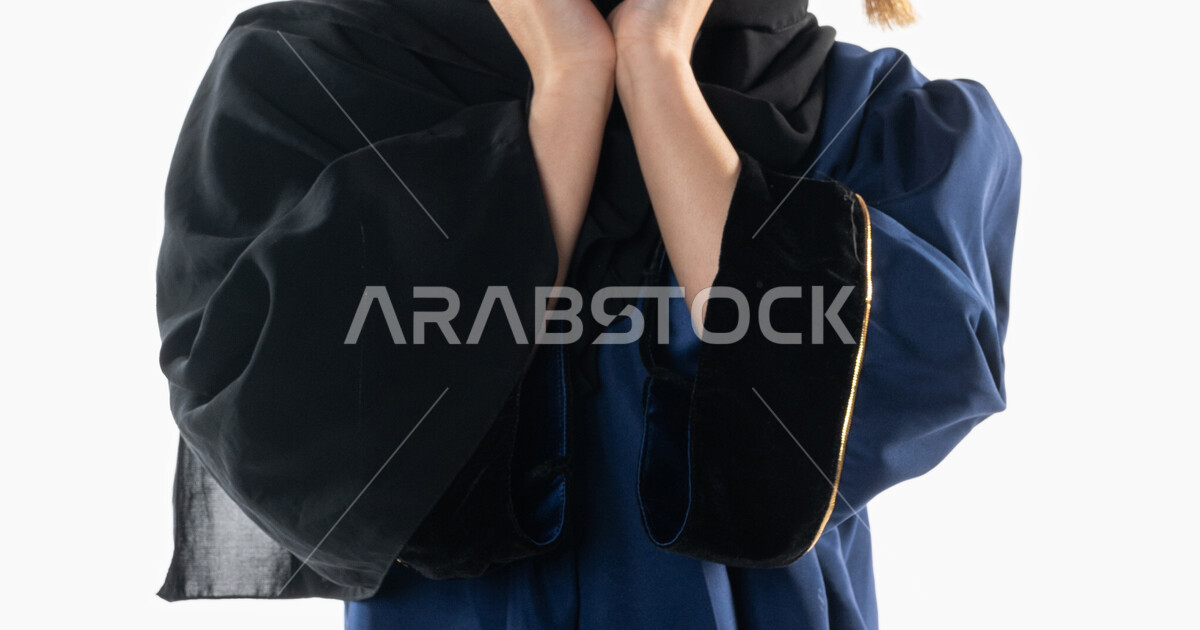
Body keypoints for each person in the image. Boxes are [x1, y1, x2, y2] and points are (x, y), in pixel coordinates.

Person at [154, 0, 1020, 628]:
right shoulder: (311, 82)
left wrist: (655, 67)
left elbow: (894, 388)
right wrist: (571, 81)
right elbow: (277, 427)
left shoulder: (872, 117)